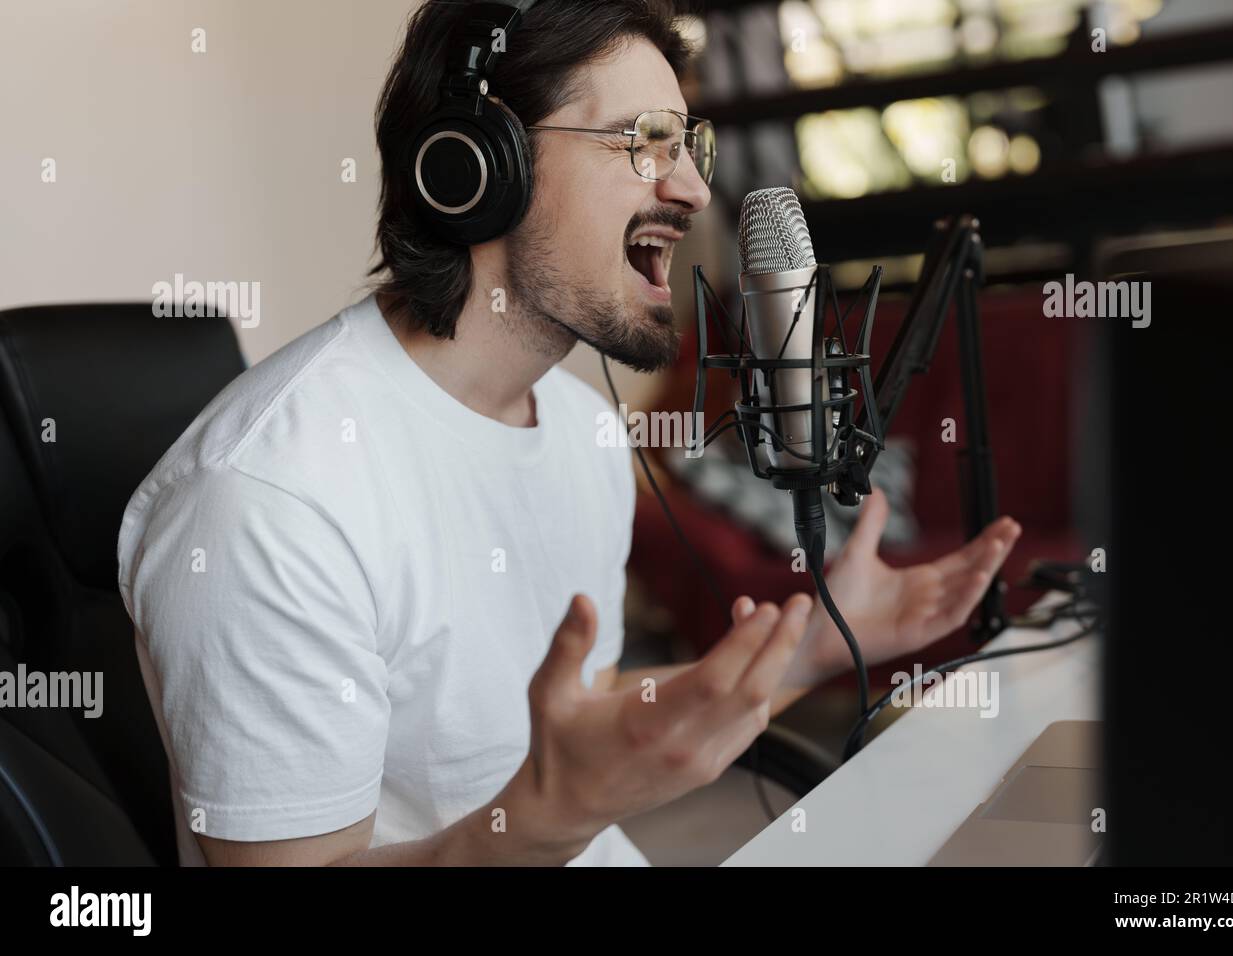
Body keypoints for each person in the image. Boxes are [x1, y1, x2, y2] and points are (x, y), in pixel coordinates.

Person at [117, 0, 1021, 867]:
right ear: (477, 168)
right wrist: (551, 818)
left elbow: (567, 725)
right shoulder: (266, 501)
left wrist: (817, 645)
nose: (694, 188)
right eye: (643, 143)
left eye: (689, 145)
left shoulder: (585, 429)